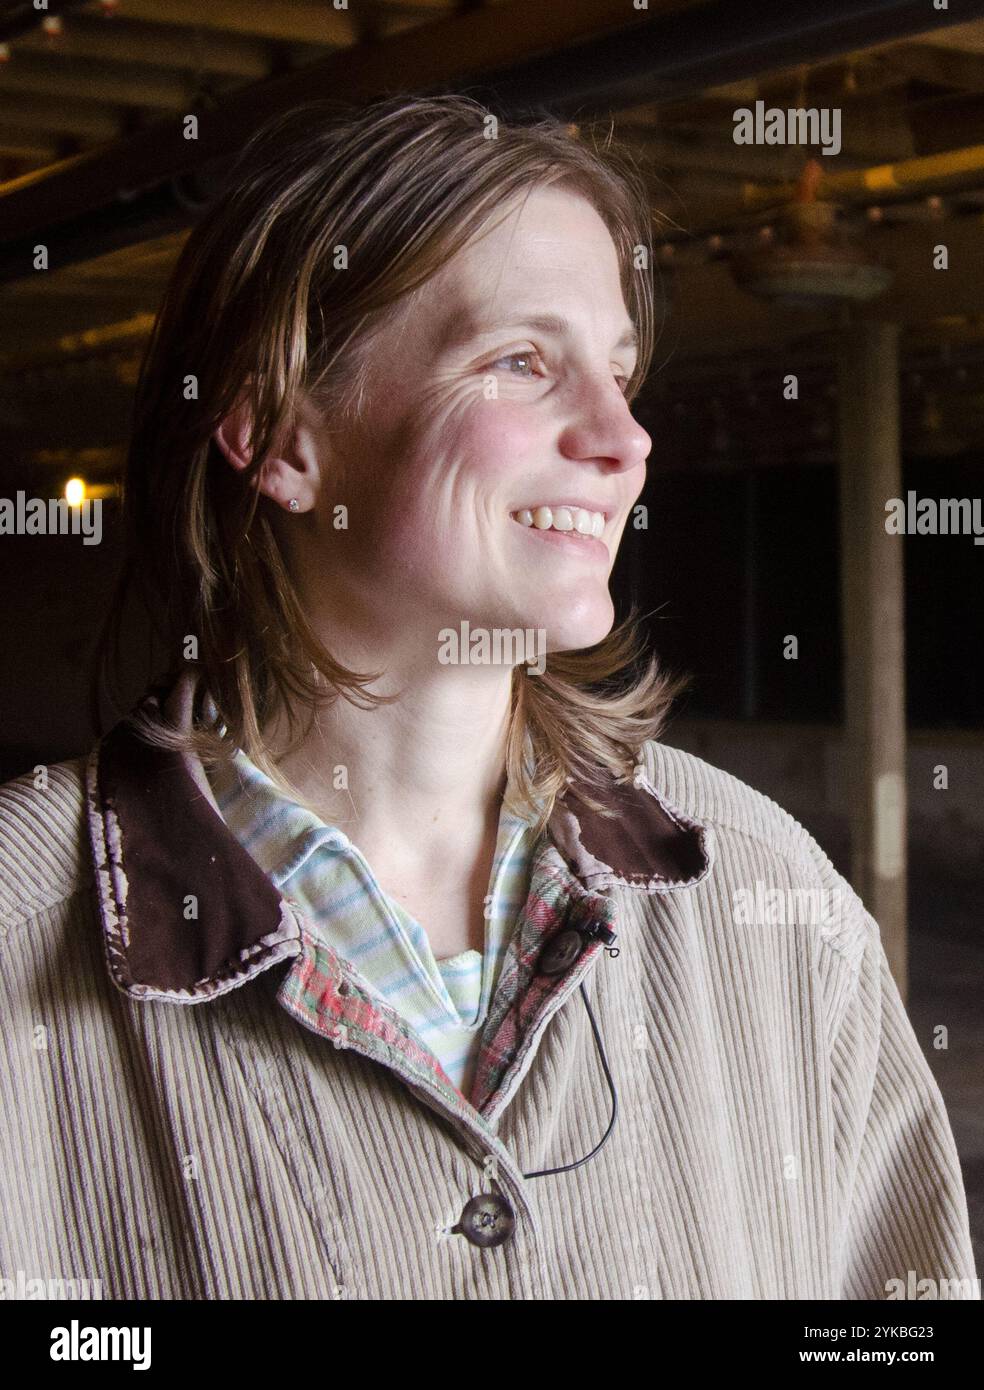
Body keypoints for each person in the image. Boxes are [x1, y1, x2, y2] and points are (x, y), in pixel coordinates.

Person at [0, 95, 977, 1301]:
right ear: (281, 435)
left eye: (620, 375)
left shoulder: (774, 896)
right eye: (523, 362)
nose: (625, 438)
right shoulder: (20, 932)